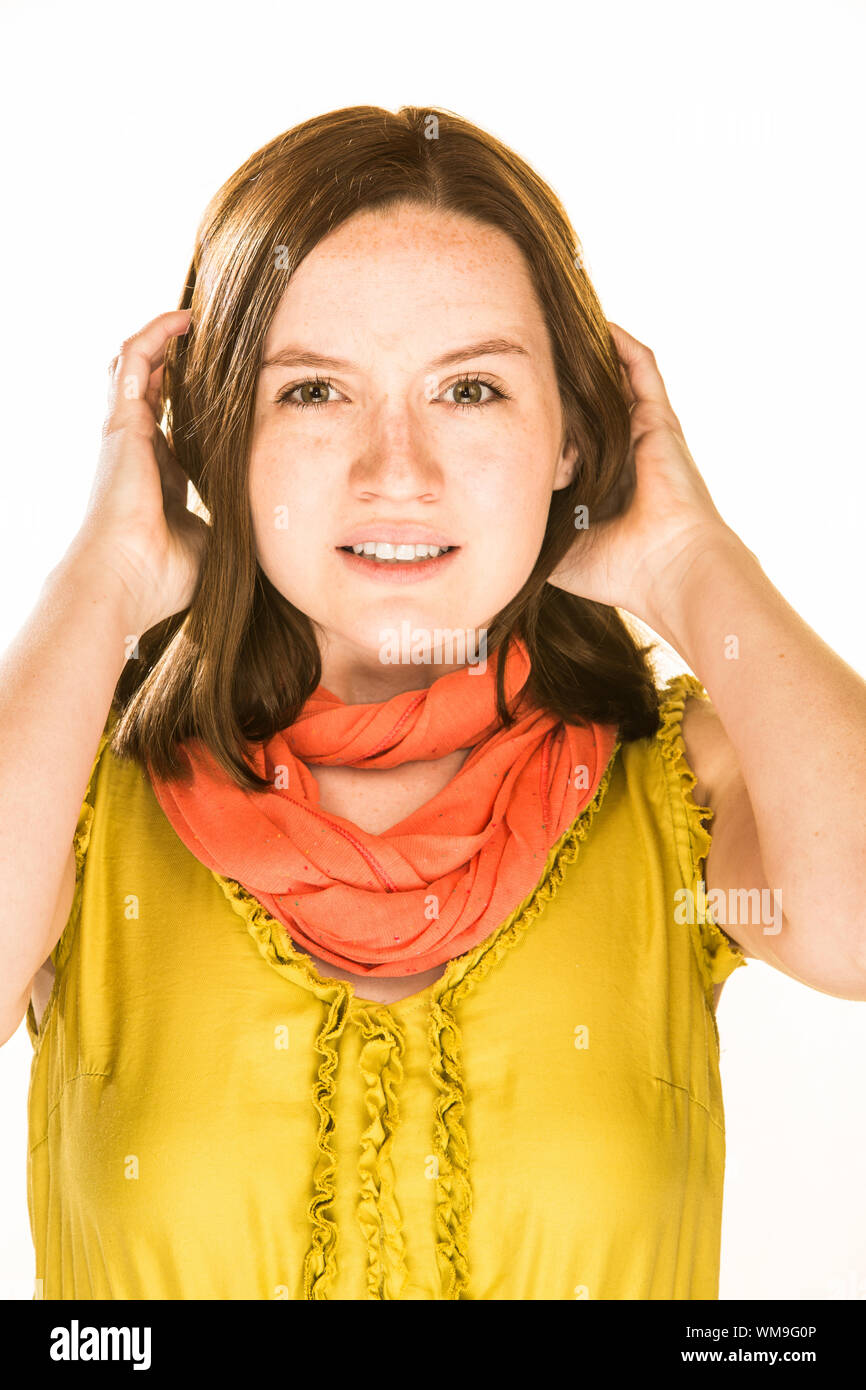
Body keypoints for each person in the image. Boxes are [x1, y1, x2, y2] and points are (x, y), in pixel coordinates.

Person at [3, 105, 864, 1301]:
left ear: (570, 435)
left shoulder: (673, 789)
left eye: (469, 390)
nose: (395, 470)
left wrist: (686, 559)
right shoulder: (77, 795)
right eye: (310, 393)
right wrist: (100, 581)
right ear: (213, 437)